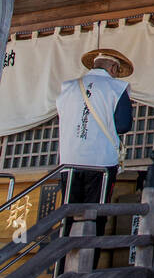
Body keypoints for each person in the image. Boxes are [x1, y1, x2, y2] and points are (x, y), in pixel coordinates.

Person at [57, 48, 135, 261]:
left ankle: (61, 267)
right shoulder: (117, 88)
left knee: (68, 216)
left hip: (69, 161)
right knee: (95, 216)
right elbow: (123, 124)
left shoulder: (68, 88)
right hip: (100, 163)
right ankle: (87, 267)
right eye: (117, 71)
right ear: (113, 68)